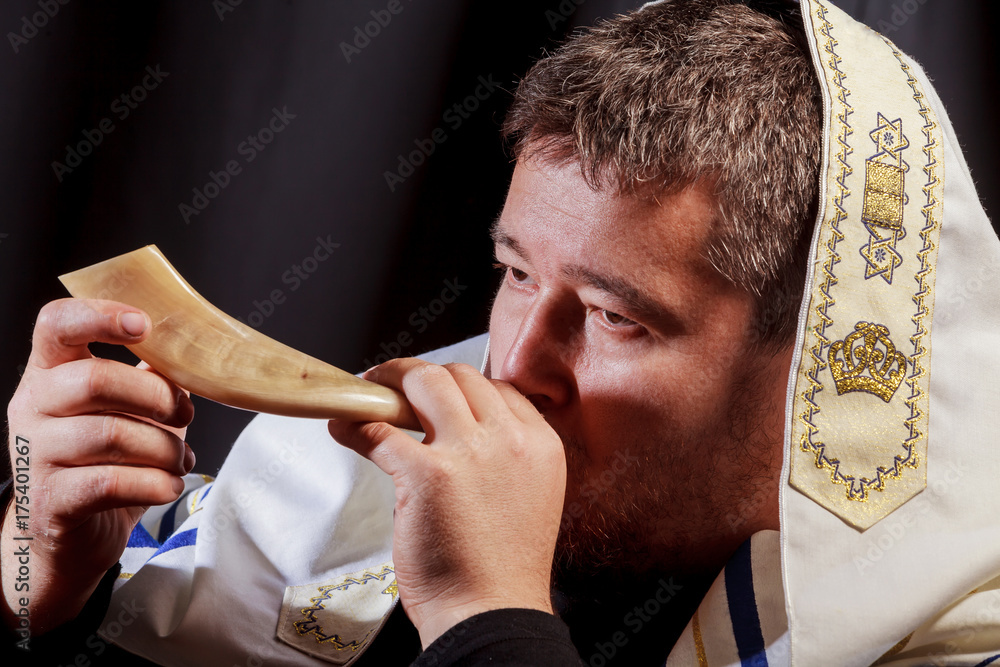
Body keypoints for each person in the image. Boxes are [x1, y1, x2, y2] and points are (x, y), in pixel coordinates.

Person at [4, 0, 1000, 665]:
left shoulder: (962, 624)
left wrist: (484, 613)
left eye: (614, 316)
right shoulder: (326, 497)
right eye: (516, 273)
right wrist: (36, 581)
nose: (514, 365)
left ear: (816, 369)